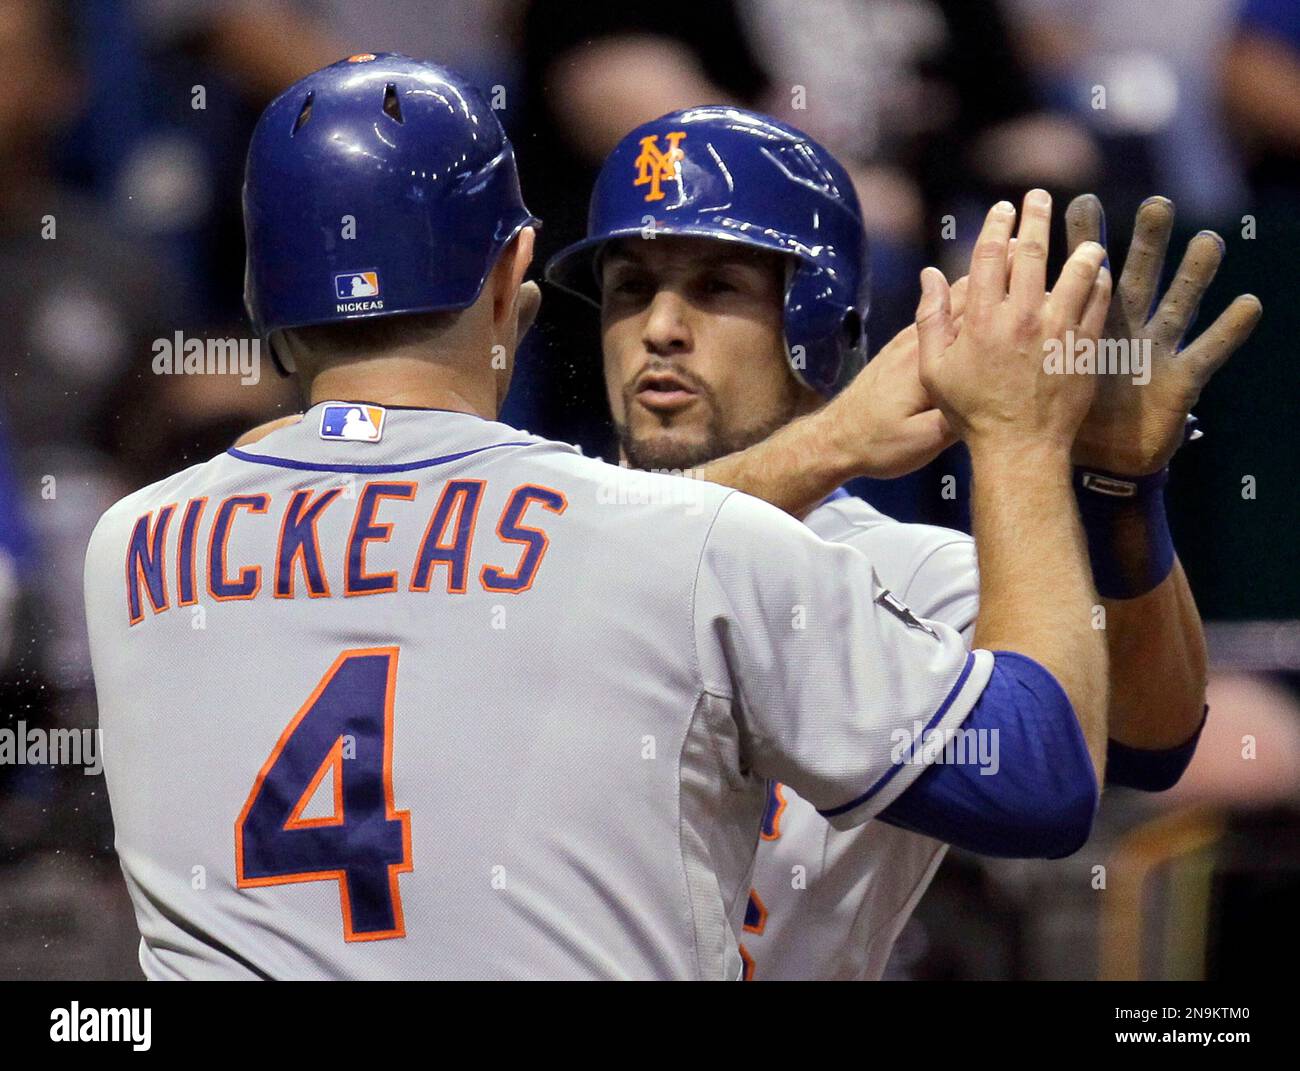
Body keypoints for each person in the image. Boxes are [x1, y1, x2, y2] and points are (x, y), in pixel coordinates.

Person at [86, 55, 1112, 980]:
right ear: (509, 276)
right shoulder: (674, 542)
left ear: (263, 292)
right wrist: (1022, 440)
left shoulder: (124, 547)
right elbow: (1042, 780)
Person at [542, 107, 1262, 979]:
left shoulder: (910, 574)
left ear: (817, 320)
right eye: (631, 288)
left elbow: (1148, 742)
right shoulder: (524, 517)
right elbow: (608, 557)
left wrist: (1119, 493)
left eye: (717, 286)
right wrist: (838, 437)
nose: (659, 327)